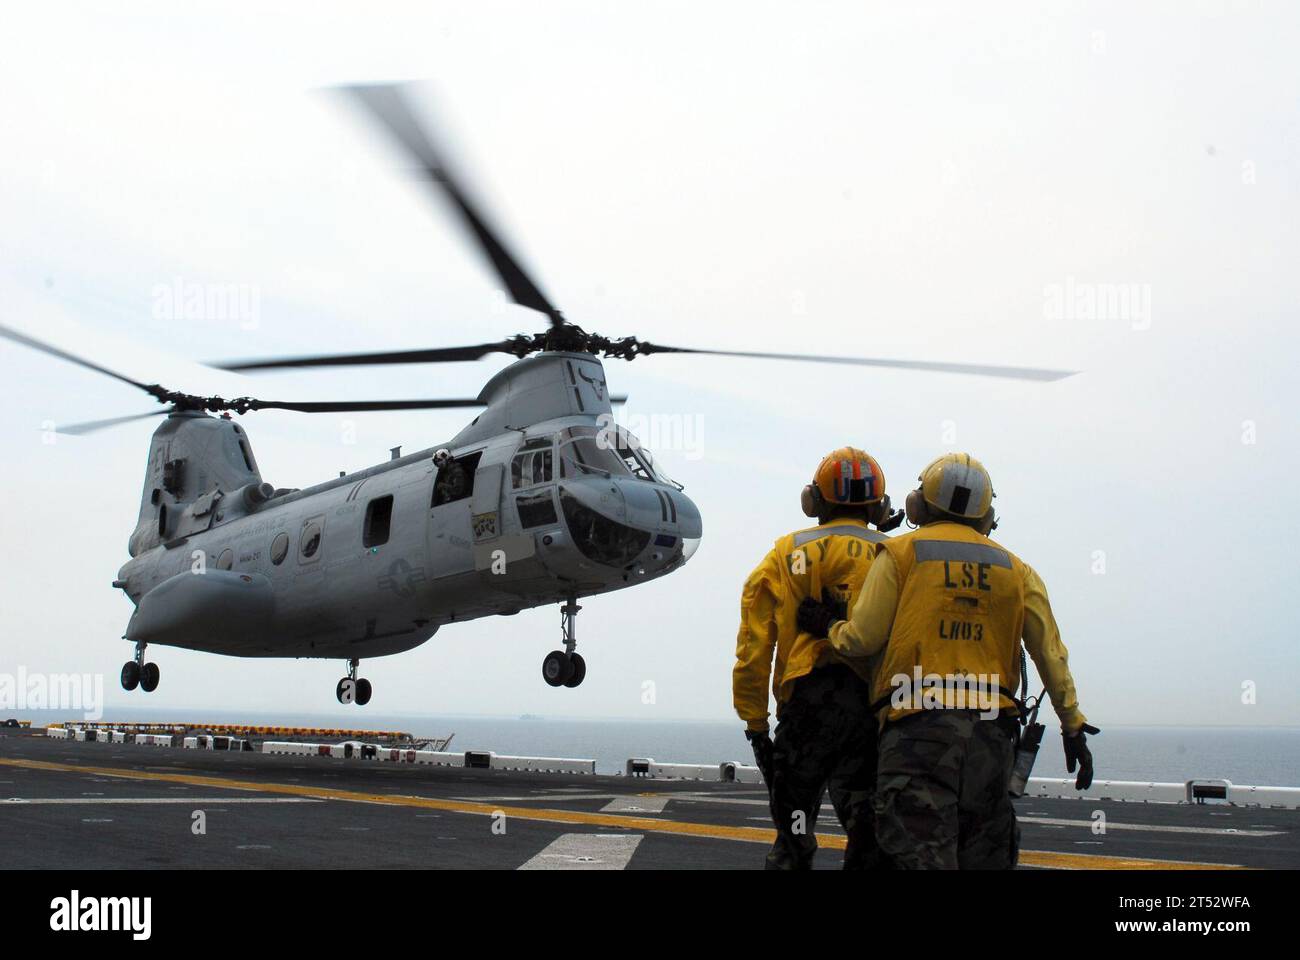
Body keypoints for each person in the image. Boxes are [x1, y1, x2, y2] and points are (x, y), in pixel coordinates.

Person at [798, 452, 1096, 869]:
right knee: (985, 855)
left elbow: (861, 640)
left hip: (917, 730)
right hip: (992, 736)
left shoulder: (900, 554)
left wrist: (829, 624)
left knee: (916, 854)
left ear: (918, 505)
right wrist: (1072, 724)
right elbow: (1050, 654)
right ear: (987, 515)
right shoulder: (1016, 570)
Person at [733, 447, 899, 869]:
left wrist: (755, 723)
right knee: (869, 839)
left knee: (793, 837)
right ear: (878, 506)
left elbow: (754, 645)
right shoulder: (897, 555)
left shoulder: (787, 552)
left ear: (814, 500)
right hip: (872, 711)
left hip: (805, 711)